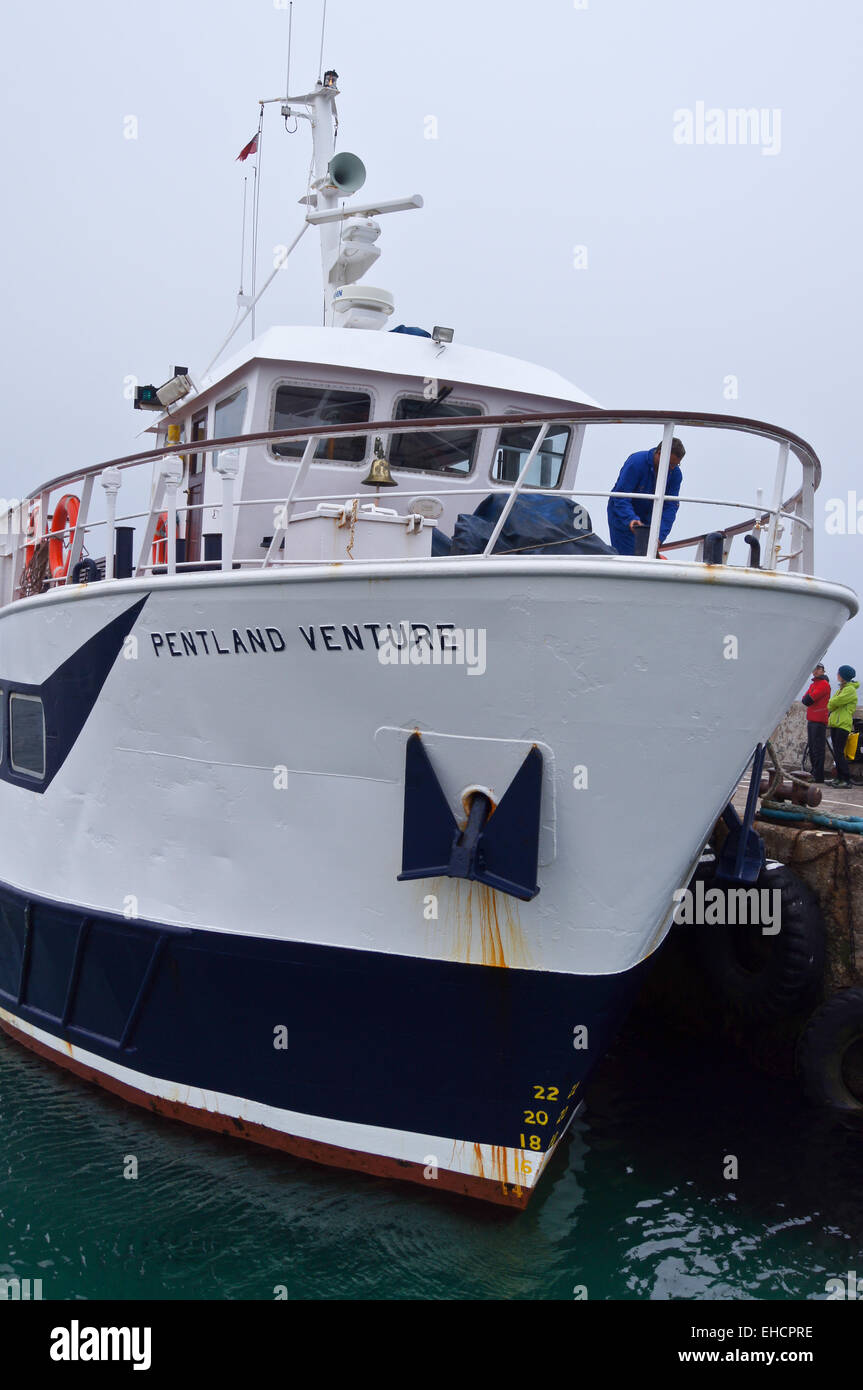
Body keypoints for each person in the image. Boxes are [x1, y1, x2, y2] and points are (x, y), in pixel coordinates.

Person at [607, 438, 685, 555]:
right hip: (622, 516)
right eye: (670, 464)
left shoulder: (675, 474)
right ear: (659, 454)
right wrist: (630, 519)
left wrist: (659, 536)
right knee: (628, 558)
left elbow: (670, 507)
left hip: (648, 519)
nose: (672, 468)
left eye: (676, 464)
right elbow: (621, 496)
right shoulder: (636, 462)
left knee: (646, 556)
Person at [826, 664, 859, 788]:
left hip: (843, 724)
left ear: (843, 676)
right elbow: (832, 704)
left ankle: (846, 779)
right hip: (836, 723)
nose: (837, 675)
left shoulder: (849, 690)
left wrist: (833, 703)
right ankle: (839, 778)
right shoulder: (842, 688)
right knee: (837, 752)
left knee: (839, 752)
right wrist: (833, 703)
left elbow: (834, 702)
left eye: (839, 673)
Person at [801, 662, 830, 783]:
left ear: (823, 671)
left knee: (817, 748)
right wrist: (809, 697)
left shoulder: (823, 684)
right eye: (815, 669)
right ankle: (814, 772)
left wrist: (809, 697)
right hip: (812, 719)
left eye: (819, 669)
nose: (816, 671)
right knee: (813, 748)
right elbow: (804, 699)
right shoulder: (815, 684)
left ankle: (818, 775)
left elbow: (809, 699)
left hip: (819, 721)